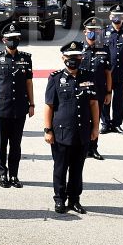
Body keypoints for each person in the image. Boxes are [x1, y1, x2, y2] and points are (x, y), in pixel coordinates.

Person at [43, 41, 100, 214]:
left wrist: (95, 128)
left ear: (81, 57)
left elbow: (93, 104)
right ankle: (60, 199)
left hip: (82, 132)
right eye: (70, 57)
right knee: (60, 168)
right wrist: (47, 130)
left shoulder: (88, 77)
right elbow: (49, 106)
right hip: (61, 132)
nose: (73, 60)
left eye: (76, 56)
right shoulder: (55, 78)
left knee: (77, 169)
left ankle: (74, 199)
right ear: (63, 58)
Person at [0, 24, 34, 189]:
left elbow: (29, 82)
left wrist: (32, 104)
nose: (13, 41)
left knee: (16, 143)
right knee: (1, 143)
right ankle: (2, 173)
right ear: (4, 40)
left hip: (20, 106)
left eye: (15, 38)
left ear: (19, 39)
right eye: (9, 39)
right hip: (1, 106)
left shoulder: (26, 58)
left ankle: (14, 174)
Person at [80, 17, 112, 160]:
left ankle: (93, 148)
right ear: (84, 32)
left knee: (96, 121)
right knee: (83, 120)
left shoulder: (104, 50)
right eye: (90, 30)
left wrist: (109, 92)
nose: (93, 33)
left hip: (98, 92)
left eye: (96, 30)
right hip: (82, 92)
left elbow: (108, 73)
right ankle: (83, 148)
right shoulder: (78, 49)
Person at [101, 5, 123, 134]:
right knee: (105, 98)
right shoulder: (103, 32)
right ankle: (105, 123)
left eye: (120, 15)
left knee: (119, 99)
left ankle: (116, 124)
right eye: (115, 15)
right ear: (110, 16)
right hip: (107, 72)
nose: (117, 18)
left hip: (122, 72)